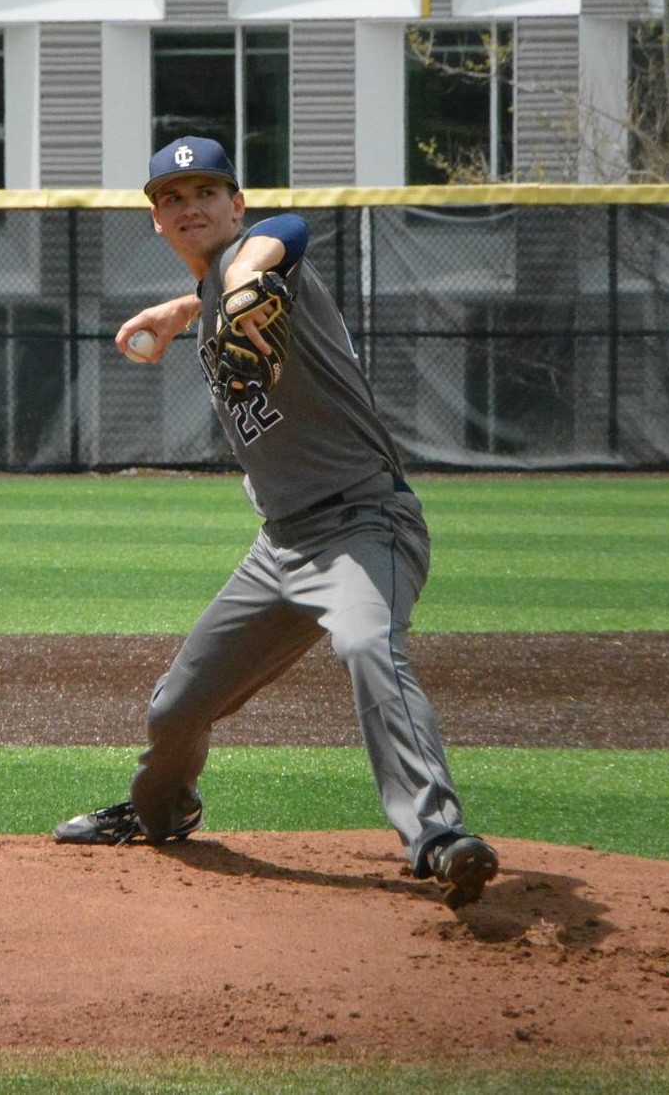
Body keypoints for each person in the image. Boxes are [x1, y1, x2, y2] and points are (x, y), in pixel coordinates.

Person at [52, 137, 499, 909]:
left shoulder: (261, 264)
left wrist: (242, 276)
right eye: (171, 197)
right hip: (279, 547)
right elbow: (226, 282)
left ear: (236, 205)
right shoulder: (220, 292)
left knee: (366, 643)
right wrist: (184, 306)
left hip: (366, 523)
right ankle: (164, 812)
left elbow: (287, 233)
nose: (189, 206)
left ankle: (437, 836)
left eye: (205, 191)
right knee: (175, 709)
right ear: (156, 222)